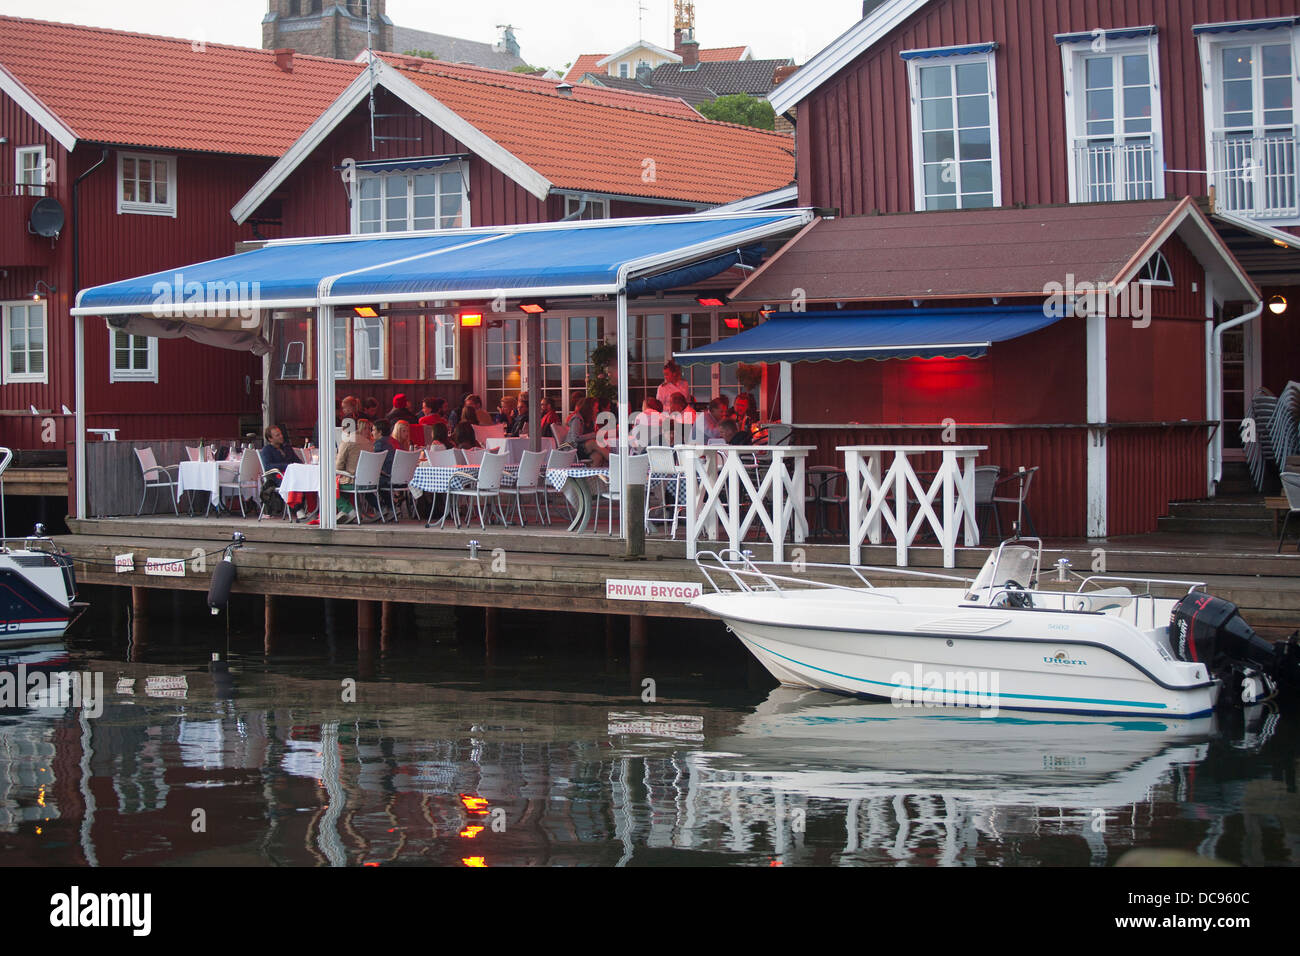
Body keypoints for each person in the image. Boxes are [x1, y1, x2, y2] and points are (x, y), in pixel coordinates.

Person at [565, 396, 608, 466]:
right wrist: (594, 435)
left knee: (597, 456)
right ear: (589, 408)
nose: (597, 410)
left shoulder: (591, 420)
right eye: (596, 407)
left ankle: (592, 476)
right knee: (592, 443)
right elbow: (575, 438)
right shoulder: (577, 419)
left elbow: (592, 435)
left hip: (585, 449)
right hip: (573, 448)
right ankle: (617, 462)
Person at [372, 417, 396, 486]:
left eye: (373, 430)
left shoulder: (379, 443)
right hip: (400, 477)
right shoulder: (395, 441)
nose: (372, 433)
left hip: (386, 477)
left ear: (380, 432)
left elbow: (374, 463)